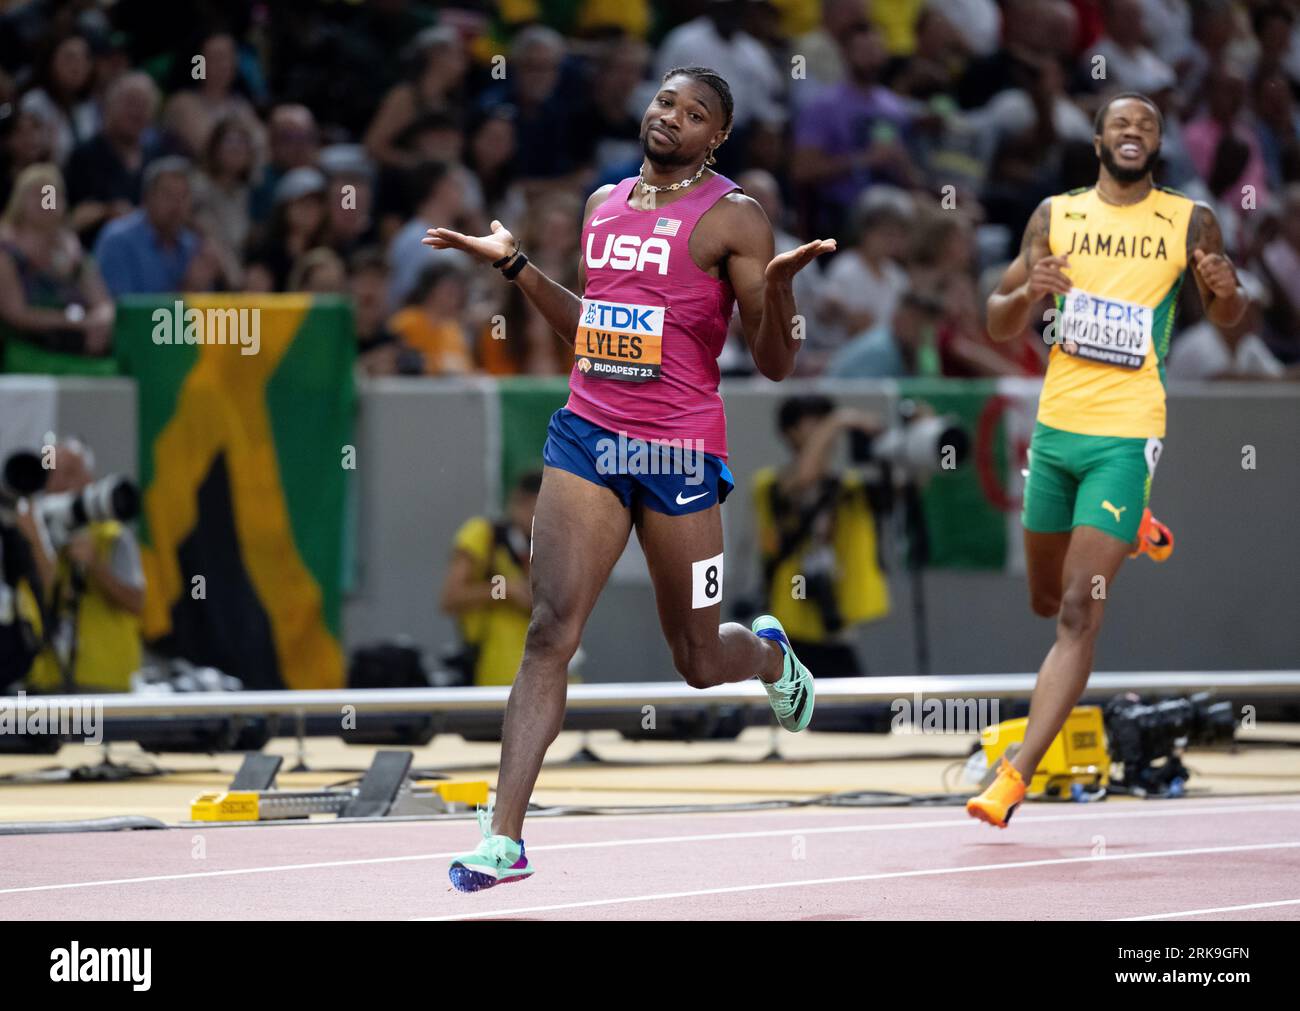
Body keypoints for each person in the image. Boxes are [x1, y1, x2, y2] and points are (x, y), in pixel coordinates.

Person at [425, 66, 833, 891]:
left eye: (695, 114)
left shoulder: (736, 216)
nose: (672, 117)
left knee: (697, 658)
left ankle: (768, 657)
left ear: (717, 137)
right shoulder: (602, 205)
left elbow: (775, 362)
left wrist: (780, 294)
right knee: (550, 630)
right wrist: (517, 267)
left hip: (679, 452)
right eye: (665, 101)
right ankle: (505, 839)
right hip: (589, 437)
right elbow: (593, 329)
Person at [967, 92, 1248, 828]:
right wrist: (1029, 291)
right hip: (1056, 431)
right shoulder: (1055, 215)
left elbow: (1228, 311)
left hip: (1127, 431)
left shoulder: (1189, 220)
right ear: (1097, 141)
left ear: (1158, 145)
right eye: (1120, 122)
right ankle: (1135, 525)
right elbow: (996, 321)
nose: (1133, 131)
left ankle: (1015, 775)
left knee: (1076, 611)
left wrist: (1227, 294)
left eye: (1147, 125)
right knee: (1042, 596)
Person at [751, 396, 890, 680]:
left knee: (856, 704)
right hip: (790, 621)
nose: (825, 429)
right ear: (789, 432)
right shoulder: (770, 484)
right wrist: (840, 420)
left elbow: (897, 491)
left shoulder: (847, 485)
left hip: (834, 618)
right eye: (815, 422)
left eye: (825, 421)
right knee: (786, 697)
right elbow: (805, 477)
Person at [15, 438, 145, 693]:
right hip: (47, 683)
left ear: (89, 480)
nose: (59, 483)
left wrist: (97, 567)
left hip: (106, 685)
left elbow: (137, 603)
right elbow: (44, 596)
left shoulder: (113, 535)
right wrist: (37, 540)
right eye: (51, 474)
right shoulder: (28, 534)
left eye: (70, 473)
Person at [0, 163, 115, 363]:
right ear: (19, 200)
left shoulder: (74, 251)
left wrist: (100, 322)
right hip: (26, 345)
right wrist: (75, 322)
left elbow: (104, 303)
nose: (45, 200)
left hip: (81, 340)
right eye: (37, 194)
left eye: (51, 194)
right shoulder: (6, 251)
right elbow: (16, 314)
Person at [439, 471, 541, 687]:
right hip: (498, 672)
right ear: (519, 501)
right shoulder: (485, 535)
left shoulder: (545, 542)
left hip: (550, 669)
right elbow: (451, 596)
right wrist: (504, 591)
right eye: (535, 508)